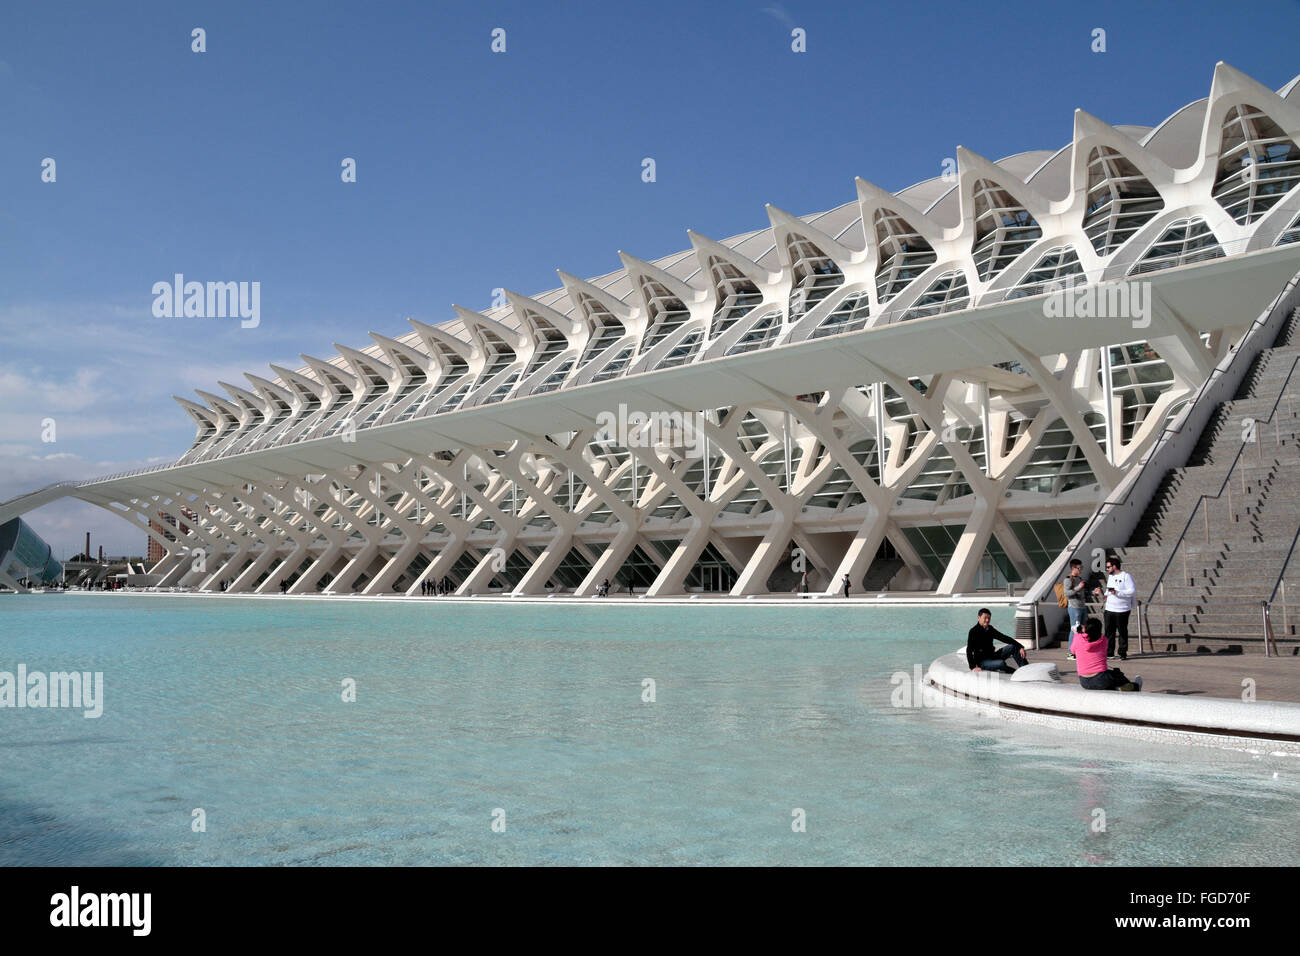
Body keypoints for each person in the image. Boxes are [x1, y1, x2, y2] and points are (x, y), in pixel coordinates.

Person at [1073, 617, 1141, 691]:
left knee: (1106, 679)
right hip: (1101, 678)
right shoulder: (1104, 640)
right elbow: (1096, 637)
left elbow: (1073, 651)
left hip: (1084, 681)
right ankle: (1135, 686)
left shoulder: (1077, 639)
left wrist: (1077, 633)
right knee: (1117, 675)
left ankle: (1116, 688)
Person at [1093, 555, 1136, 661]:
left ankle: (1122, 653)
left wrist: (1117, 593)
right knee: (1108, 632)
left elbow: (1132, 591)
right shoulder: (1111, 577)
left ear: (1115, 566)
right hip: (1109, 609)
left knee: (1122, 631)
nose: (1107, 569)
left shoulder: (1126, 576)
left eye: (1108, 567)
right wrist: (1101, 593)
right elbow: (1108, 592)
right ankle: (1109, 653)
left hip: (1122, 609)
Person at [967, 608, 1029, 672]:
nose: (987, 620)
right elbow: (969, 650)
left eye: (989, 618)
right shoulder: (973, 631)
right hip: (982, 662)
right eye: (985, 618)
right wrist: (973, 667)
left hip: (993, 656)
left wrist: (1020, 646)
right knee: (1001, 663)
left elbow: (1004, 638)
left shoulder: (990, 629)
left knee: (1013, 647)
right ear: (979, 617)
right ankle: (1014, 672)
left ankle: (1026, 670)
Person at [1063, 558, 1088, 659]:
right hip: (1074, 607)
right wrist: (1078, 587)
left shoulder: (1080, 579)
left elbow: (1082, 593)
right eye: (1079, 567)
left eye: (1082, 567)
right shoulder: (1068, 579)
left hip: (1082, 606)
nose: (1081, 569)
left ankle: (1079, 650)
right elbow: (1066, 593)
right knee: (1074, 629)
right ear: (1073, 568)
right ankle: (1070, 652)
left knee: (1082, 630)